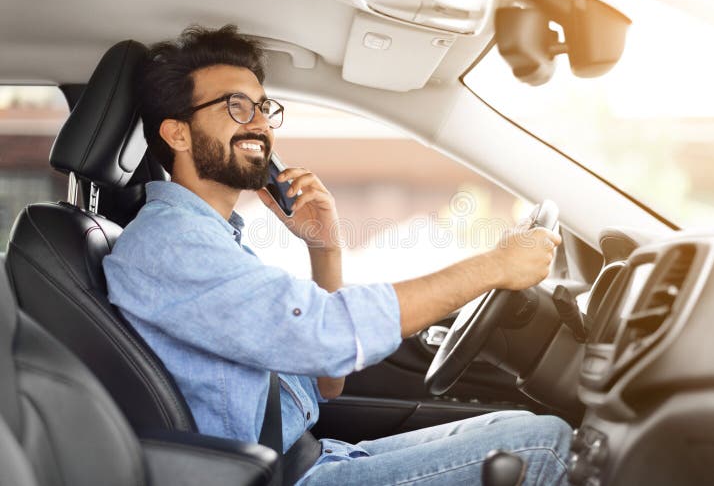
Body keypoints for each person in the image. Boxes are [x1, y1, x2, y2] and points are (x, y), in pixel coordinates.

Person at [103, 25, 571, 485]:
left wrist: (324, 248)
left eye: (264, 108)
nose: (261, 124)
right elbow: (326, 332)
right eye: (236, 107)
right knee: (545, 444)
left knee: (517, 431)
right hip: (281, 475)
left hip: (311, 458)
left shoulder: (215, 239)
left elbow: (328, 381)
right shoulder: (173, 244)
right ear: (178, 134)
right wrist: (493, 266)